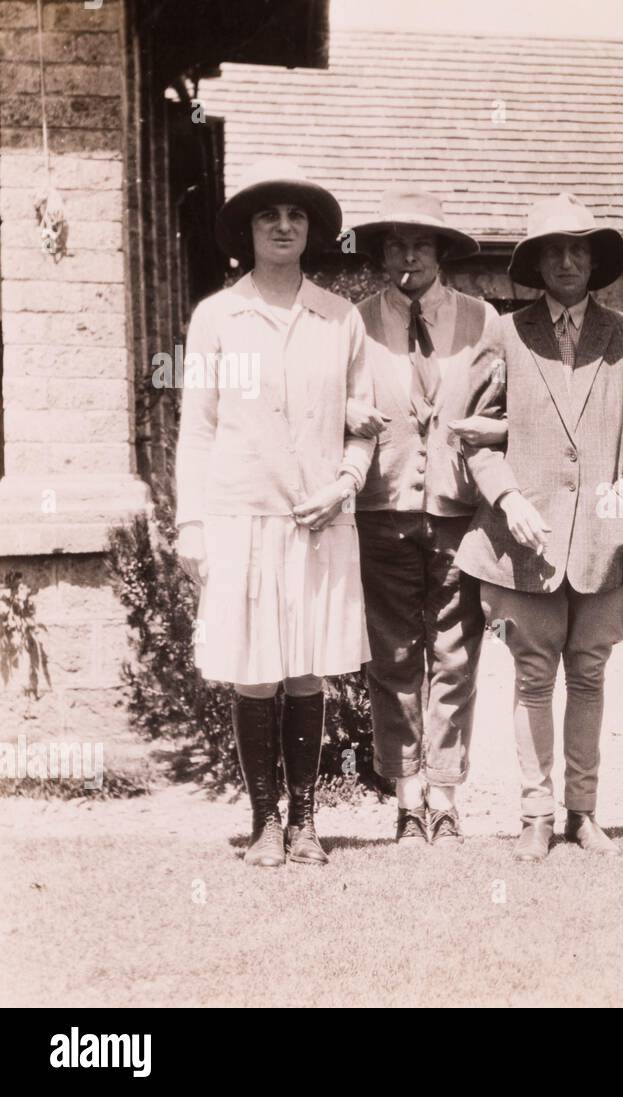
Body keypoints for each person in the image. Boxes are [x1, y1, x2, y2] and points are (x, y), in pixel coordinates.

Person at [175, 161, 375, 868]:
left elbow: (363, 424)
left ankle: (305, 819)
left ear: (311, 230)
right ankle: (264, 821)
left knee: (306, 671)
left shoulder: (339, 317)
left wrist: (346, 480)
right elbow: (197, 426)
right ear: (248, 234)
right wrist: (191, 522)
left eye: (295, 215)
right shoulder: (217, 317)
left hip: (317, 517)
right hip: (242, 515)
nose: (284, 226)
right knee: (255, 669)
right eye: (269, 217)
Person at [455, 193, 623, 863]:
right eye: (554, 250)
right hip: (528, 540)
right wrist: (507, 496)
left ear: (595, 261)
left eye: (580, 249)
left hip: (605, 542)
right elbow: (476, 436)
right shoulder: (506, 334)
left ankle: (584, 811)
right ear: (537, 263)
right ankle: (535, 813)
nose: (567, 261)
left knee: (591, 675)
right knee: (534, 677)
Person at [343, 189, 504, 846]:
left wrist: (481, 431)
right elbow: (335, 407)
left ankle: (444, 793)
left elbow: (507, 414)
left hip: (457, 510)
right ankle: (406, 797)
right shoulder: (354, 323)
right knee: (394, 656)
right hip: (382, 507)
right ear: (381, 253)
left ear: (441, 252)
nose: (408, 256)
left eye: (421, 243)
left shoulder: (482, 320)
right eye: (395, 244)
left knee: (456, 655)